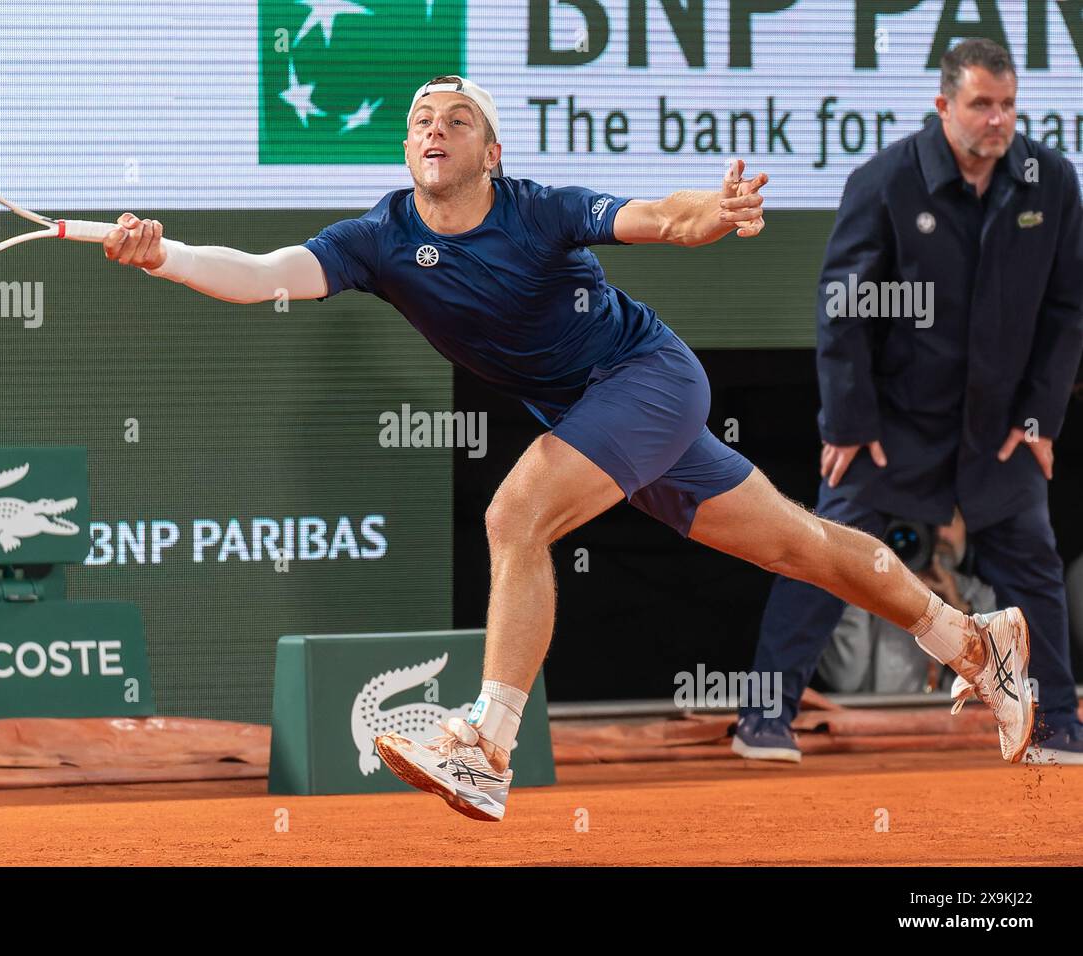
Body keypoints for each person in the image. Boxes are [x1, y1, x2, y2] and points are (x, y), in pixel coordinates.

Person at [102, 74, 1034, 821]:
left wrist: (708, 214)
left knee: (515, 514)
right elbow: (263, 275)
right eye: (422, 120)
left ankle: (486, 747)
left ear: (490, 152)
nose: (435, 130)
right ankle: (972, 640)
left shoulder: (538, 209)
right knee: (802, 545)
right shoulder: (377, 238)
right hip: (599, 416)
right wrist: (163, 255)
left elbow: (657, 218)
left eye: (458, 119)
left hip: (649, 381)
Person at [734, 39, 1083, 767]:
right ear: (944, 106)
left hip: (996, 427)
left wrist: (1040, 417)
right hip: (891, 423)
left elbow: (1065, 310)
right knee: (825, 555)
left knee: (1034, 563)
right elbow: (844, 305)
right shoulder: (887, 179)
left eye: (1009, 105)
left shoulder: (1050, 181)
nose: (998, 120)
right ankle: (764, 719)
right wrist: (851, 421)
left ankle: (1056, 727)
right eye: (982, 105)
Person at [818, 512, 994, 695]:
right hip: (878, 719)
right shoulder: (867, 584)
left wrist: (958, 610)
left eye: (950, 518)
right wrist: (861, 581)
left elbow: (994, 683)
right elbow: (843, 679)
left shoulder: (981, 597)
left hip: (953, 721)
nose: (939, 533)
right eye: (929, 523)